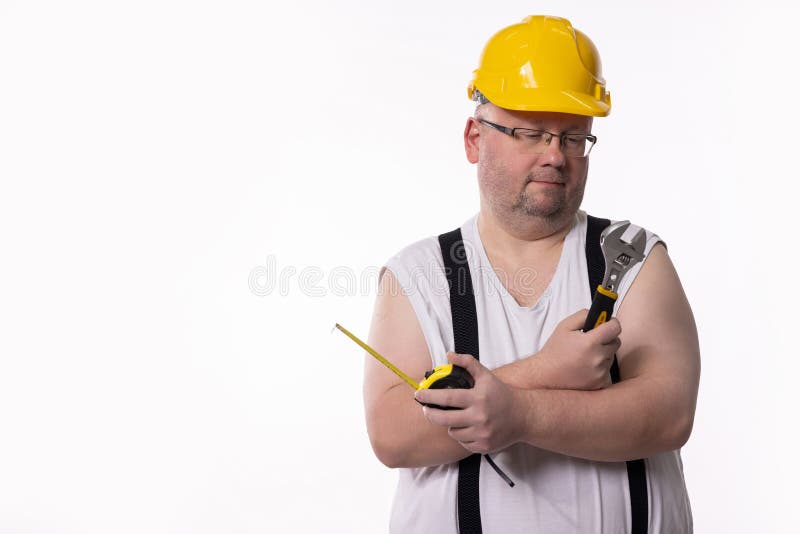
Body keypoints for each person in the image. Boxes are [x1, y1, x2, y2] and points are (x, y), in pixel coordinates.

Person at [363, 15, 700, 533]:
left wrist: (522, 415)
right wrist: (543, 372)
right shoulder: (417, 274)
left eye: (573, 137)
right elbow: (393, 435)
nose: (555, 155)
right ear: (475, 138)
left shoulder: (631, 256)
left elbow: (669, 413)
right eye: (530, 132)